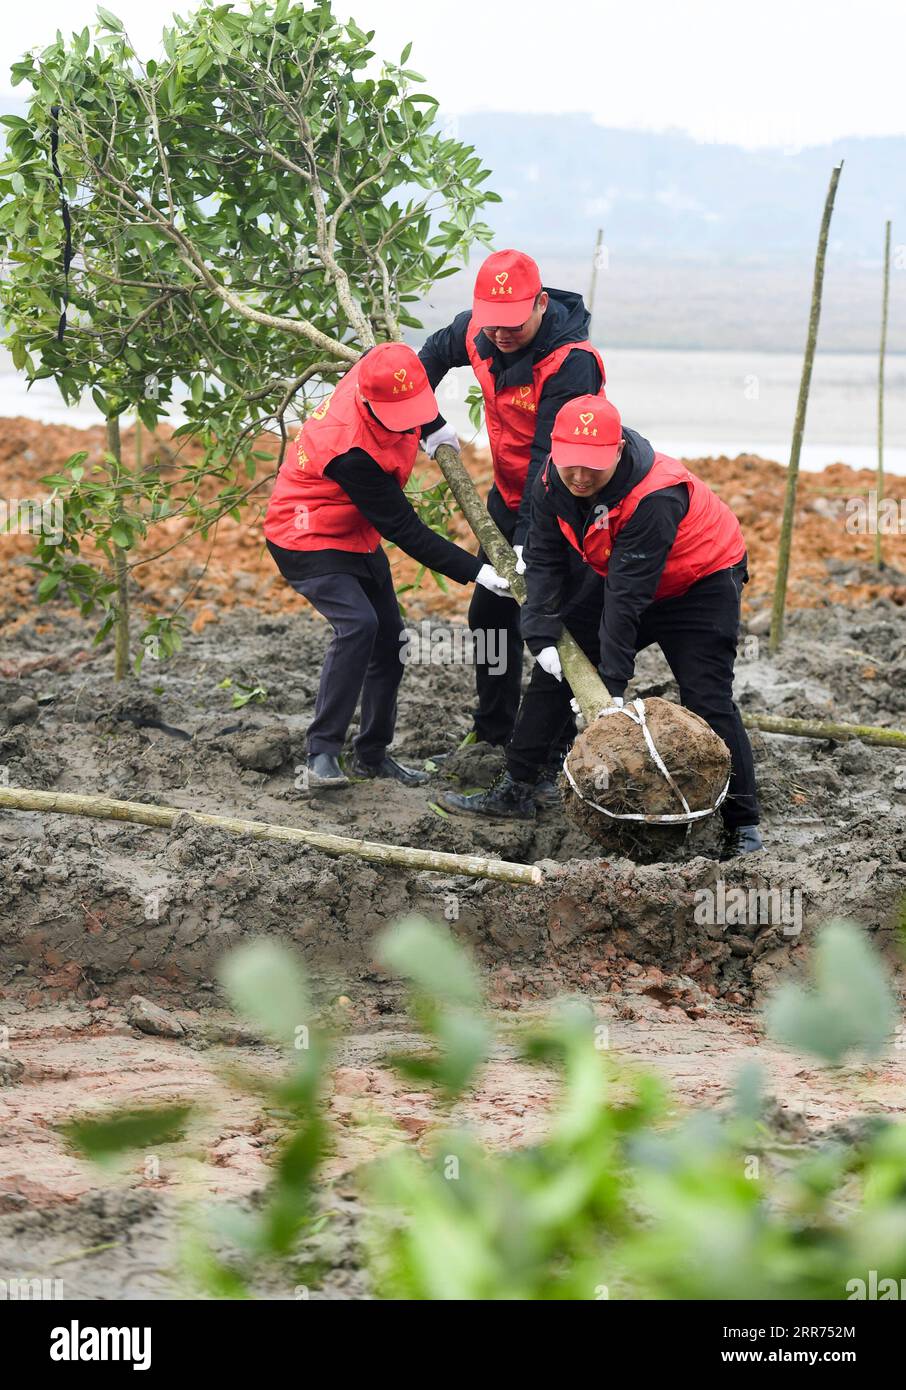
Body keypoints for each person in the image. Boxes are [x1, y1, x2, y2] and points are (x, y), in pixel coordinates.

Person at [441, 393, 764, 860]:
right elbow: (546, 558)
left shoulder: (656, 494)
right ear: (554, 450)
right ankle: (515, 787)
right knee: (556, 669)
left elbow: (627, 600)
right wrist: (540, 633)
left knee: (707, 698)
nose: (580, 475)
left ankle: (743, 827)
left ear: (616, 451)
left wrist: (611, 686)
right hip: (621, 574)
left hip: (699, 583)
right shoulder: (552, 480)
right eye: (571, 462)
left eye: (592, 464)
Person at [264, 343, 509, 789]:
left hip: (354, 532)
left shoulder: (380, 367)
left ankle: (372, 754)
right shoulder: (350, 451)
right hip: (305, 536)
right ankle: (321, 754)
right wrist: (478, 572)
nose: (409, 421)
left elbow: (411, 387)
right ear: (366, 399)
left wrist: (434, 428)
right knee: (358, 626)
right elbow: (405, 528)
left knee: (392, 640)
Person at [418, 248, 605, 775]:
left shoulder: (572, 363)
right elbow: (428, 358)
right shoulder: (477, 330)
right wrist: (426, 421)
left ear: (541, 304)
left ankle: (554, 751)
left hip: (567, 504)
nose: (500, 333)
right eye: (491, 321)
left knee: (551, 623)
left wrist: (527, 538)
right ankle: (493, 730)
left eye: (513, 323)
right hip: (508, 496)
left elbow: (550, 456)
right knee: (489, 615)